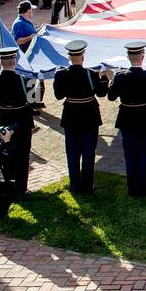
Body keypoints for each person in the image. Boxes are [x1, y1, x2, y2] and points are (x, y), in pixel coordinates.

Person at [106, 41, 146, 196]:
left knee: (130, 154)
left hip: (127, 118)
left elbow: (111, 97)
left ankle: (132, 188)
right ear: (142, 56)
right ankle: (143, 188)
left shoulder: (120, 77)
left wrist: (111, 81)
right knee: (145, 155)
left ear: (128, 57)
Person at [52, 39, 109, 195]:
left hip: (71, 115)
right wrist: (104, 78)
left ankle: (75, 185)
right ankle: (87, 185)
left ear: (69, 57)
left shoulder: (61, 74)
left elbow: (58, 95)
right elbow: (102, 93)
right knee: (89, 152)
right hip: (89, 115)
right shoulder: (91, 74)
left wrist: (58, 80)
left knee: (72, 152)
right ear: (83, 56)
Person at [0, 46, 33, 195]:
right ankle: (21, 187)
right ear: (14, 61)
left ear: (0, 62)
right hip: (21, 118)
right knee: (22, 152)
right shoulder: (22, 79)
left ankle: (9, 183)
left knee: (6, 152)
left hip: (3, 117)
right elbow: (32, 98)